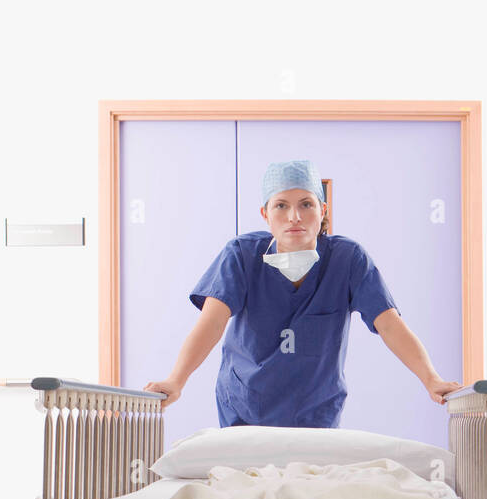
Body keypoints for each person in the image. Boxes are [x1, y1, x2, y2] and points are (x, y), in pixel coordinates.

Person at [145, 159, 461, 426]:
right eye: (281, 205)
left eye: (306, 204)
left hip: (315, 411)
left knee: (307, 492)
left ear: (322, 210)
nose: (294, 216)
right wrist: (177, 380)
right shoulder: (240, 255)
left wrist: (431, 379)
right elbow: (212, 323)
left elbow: (390, 325)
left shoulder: (348, 259)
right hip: (245, 408)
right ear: (265, 214)